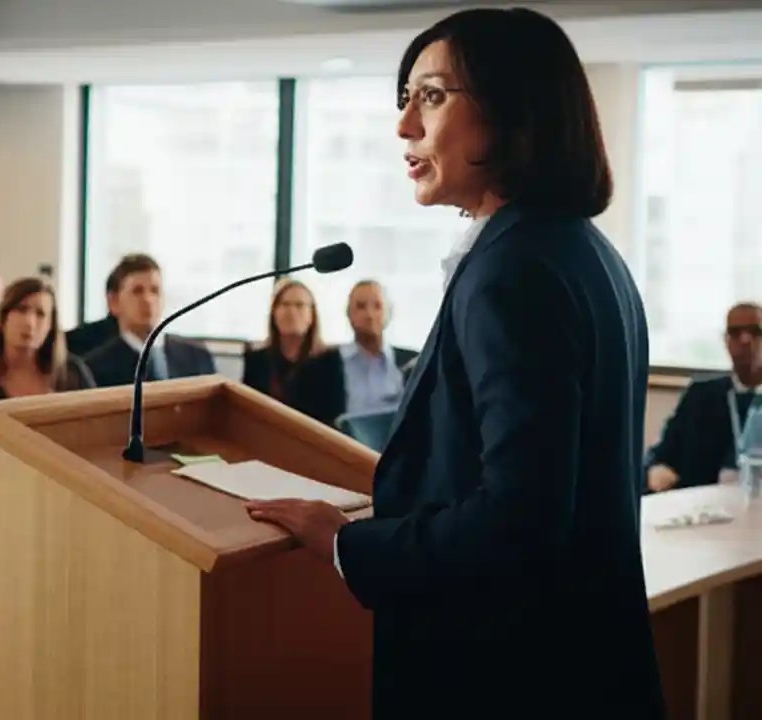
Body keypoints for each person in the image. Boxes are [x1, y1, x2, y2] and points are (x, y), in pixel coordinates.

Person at [246, 8, 665, 718]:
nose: (405, 126)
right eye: (404, 99)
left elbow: (520, 519)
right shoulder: (582, 250)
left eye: (432, 97)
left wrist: (350, 543)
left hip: (511, 676)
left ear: (512, 110)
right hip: (579, 663)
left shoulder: (514, 272)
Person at [0, 277, 95, 470]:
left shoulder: (72, 373)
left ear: (51, 325)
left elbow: (94, 435)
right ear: (2, 318)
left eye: (40, 314)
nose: (29, 322)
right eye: (21, 310)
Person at [647, 301, 762, 492]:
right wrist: (657, 470)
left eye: (756, 332)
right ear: (725, 341)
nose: (745, 340)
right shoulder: (701, 395)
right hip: (704, 509)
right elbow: (664, 454)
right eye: (735, 333)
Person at [289, 280, 418, 426]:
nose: (369, 315)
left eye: (377, 306)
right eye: (361, 307)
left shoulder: (414, 363)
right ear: (349, 313)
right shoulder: (320, 367)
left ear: (389, 312)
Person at [83, 254, 216, 387]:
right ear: (114, 302)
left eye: (155, 290)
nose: (148, 300)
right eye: (137, 291)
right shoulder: (93, 368)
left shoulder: (197, 356)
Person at [242, 279, 323, 402]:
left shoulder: (328, 361)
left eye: (299, 305)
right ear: (274, 313)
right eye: (285, 304)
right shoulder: (256, 360)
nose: (291, 312)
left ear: (312, 315)